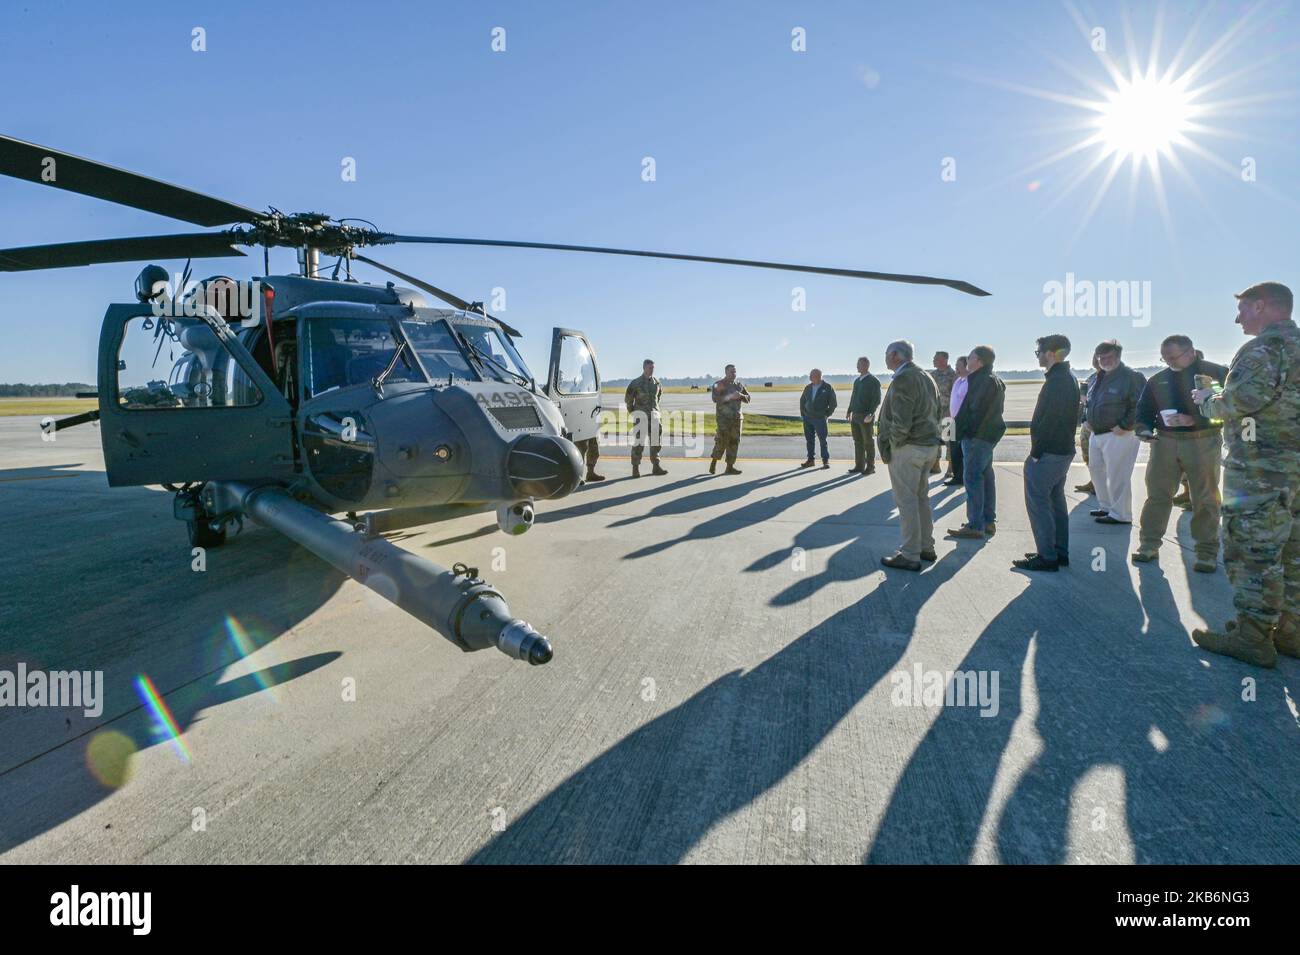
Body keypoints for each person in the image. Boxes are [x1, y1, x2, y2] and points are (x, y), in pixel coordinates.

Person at [1190, 282, 1300, 667]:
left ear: (1261, 306)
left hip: (1259, 472)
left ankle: (1254, 637)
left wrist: (1208, 400)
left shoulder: (1262, 350)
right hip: (1295, 471)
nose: (1238, 318)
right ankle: (1289, 631)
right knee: (1292, 550)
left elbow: (1237, 404)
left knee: (1253, 550)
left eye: (1242, 310)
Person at [1131, 335, 1228, 571]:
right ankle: (1148, 545)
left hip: (1203, 441)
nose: (1168, 362)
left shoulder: (1215, 373)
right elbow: (1143, 410)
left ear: (1190, 352)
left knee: (1205, 498)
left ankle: (1206, 553)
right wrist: (1143, 429)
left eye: (1173, 357)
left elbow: (1227, 410)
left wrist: (1193, 419)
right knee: (1157, 495)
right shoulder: (1158, 379)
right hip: (1165, 442)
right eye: (1164, 358)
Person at [1014, 334, 1077, 572]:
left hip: (1049, 453)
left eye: (1038, 352)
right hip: (1062, 451)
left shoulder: (1057, 381)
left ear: (1051, 353)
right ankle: (1058, 551)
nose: (1037, 356)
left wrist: (1037, 452)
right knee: (1055, 502)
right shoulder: (1065, 377)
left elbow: (1051, 420)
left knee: (1039, 503)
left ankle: (1047, 556)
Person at [878, 340, 941, 570]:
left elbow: (901, 420)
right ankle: (926, 546)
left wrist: (894, 444)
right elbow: (938, 411)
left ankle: (910, 554)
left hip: (909, 447)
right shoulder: (926, 376)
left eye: (886, 353)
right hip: (927, 446)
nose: (885, 357)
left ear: (895, 355)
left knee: (906, 502)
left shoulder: (904, 378)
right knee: (921, 499)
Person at [946, 345, 1005, 540]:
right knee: (986, 478)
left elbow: (973, 411)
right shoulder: (993, 380)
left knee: (972, 479)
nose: (967, 360)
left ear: (979, 361)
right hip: (986, 437)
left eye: (970, 357)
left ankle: (975, 524)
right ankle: (987, 521)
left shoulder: (981, 381)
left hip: (976, 437)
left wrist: (959, 432)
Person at [1084, 341, 1146, 525]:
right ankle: (1106, 506)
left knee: (1118, 474)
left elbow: (1139, 404)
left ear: (1118, 356)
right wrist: (1086, 420)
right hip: (1097, 433)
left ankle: (1121, 514)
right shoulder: (1097, 377)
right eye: (1100, 357)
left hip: (1119, 434)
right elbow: (1088, 402)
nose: (1104, 361)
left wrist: (1126, 425)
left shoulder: (1131, 377)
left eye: (1108, 357)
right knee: (1096, 469)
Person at [625, 359, 667, 478]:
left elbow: (657, 398)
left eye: (653, 368)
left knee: (656, 443)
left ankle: (656, 466)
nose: (651, 370)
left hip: (654, 417)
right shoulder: (636, 383)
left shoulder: (657, 383)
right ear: (644, 368)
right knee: (638, 443)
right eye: (649, 368)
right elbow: (628, 400)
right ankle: (635, 468)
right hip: (641, 417)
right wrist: (633, 412)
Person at [709, 364, 750, 475]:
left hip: (737, 418)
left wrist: (741, 395)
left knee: (734, 442)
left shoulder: (739, 385)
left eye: (735, 372)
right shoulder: (719, 384)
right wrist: (730, 397)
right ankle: (714, 461)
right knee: (721, 441)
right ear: (726, 372)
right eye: (732, 372)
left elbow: (748, 398)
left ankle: (730, 467)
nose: (734, 374)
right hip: (724, 419)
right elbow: (715, 398)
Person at [845, 356, 881, 474]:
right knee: (857, 441)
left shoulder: (873, 381)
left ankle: (870, 467)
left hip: (866, 416)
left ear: (866, 365)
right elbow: (853, 397)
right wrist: (849, 410)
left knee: (868, 442)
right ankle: (859, 466)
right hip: (855, 415)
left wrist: (871, 413)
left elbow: (876, 399)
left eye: (859, 364)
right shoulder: (857, 381)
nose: (857, 366)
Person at [1074, 348, 1102, 494]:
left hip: (1102, 426)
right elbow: (1084, 393)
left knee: (1102, 460)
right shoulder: (1092, 377)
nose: (1097, 361)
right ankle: (1094, 482)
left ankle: (1101, 485)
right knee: (1088, 456)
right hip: (1087, 424)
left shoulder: (1113, 378)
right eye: (1095, 357)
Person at [799, 368, 837, 469]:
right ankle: (810, 460)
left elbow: (833, 403)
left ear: (818, 376)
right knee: (809, 440)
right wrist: (803, 414)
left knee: (822, 440)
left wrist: (827, 414)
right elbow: (802, 401)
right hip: (808, 418)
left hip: (820, 419)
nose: (810, 377)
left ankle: (825, 461)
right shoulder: (808, 388)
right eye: (810, 376)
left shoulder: (827, 387)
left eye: (812, 376)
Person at [929, 351, 957, 474]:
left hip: (948, 411)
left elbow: (956, 395)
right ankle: (935, 464)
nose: (933, 360)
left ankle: (951, 466)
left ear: (944, 360)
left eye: (936, 358)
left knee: (948, 439)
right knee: (935, 439)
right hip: (934, 411)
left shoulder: (953, 375)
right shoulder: (931, 375)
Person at [944, 356, 968, 486]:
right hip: (952, 420)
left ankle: (963, 476)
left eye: (959, 366)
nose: (956, 369)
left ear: (966, 366)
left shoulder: (970, 381)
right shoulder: (959, 380)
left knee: (962, 450)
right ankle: (957, 477)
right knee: (954, 450)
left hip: (962, 421)